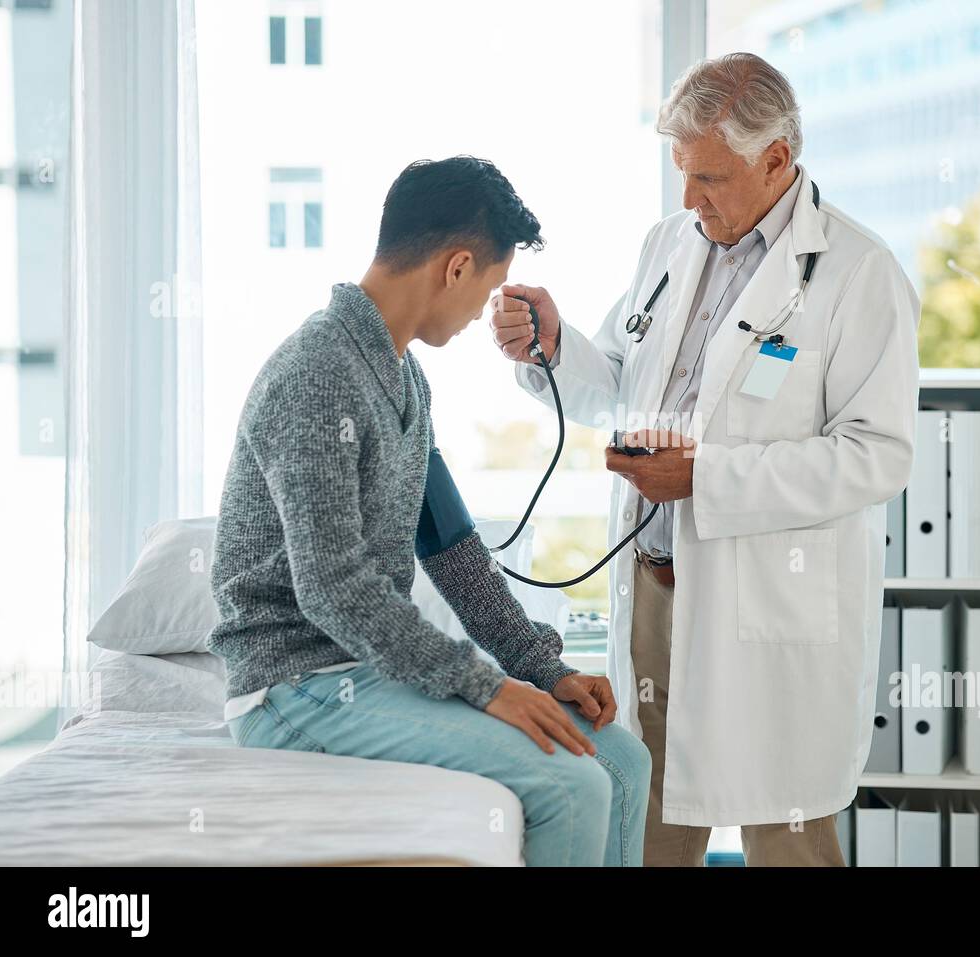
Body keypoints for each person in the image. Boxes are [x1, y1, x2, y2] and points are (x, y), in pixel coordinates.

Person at [489, 54, 920, 866]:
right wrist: (551, 347)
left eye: (710, 178)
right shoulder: (669, 245)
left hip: (769, 599)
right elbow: (616, 381)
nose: (690, 199)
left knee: (785, 829)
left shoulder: (859, 274)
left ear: (777, 159)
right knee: (649, 819)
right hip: (657, 587)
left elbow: (878, 456)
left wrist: (706, 477)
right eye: (683, 175)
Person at [208, 156, 651, 867]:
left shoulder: (404, 377)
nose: (483, 310)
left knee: (623, 762)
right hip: (293, 688)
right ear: (456, 266)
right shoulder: (317, 372)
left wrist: (540, 667)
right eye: (487, 286)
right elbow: (333, 587)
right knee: (572, 785)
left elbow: (451, 549)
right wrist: (485, 686)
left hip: (368, 670)